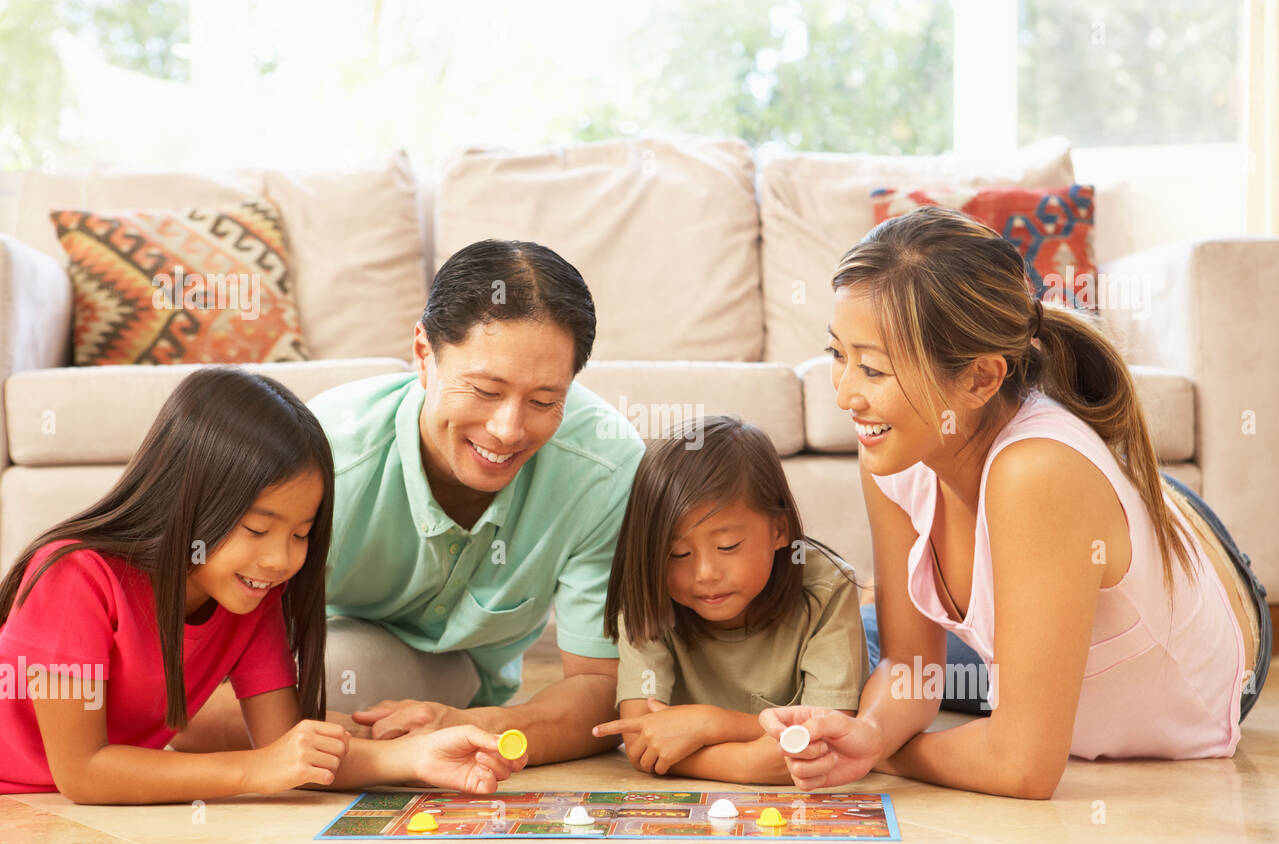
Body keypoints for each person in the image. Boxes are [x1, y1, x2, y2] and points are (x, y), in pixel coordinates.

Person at [760, 206, 1272, 799]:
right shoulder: (894, 451)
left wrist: (883, 756)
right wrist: (871, 730)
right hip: (1065, 523)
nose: (846, 393)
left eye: (872, 369)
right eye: (837, 355)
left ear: (980, 379)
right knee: (848, 637)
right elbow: (911, 670)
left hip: (1213, 606)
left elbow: (1023, 766)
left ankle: (1115, 490)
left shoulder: (1036, 476)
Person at [181, 240, 644, 765]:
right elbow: (189, 708)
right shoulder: (329, 456)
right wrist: (407, 748)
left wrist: (477, 725)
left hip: (464, 670)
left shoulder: (602, 467)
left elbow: (602, 692)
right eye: (486, 390)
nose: (508, 430)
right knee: (299, 684)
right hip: (318, 647)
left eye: (544, 401)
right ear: (424, 355)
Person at [0, 368, 524, 802]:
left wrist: (414, 756)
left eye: (301, 534)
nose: (280, 560)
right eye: (256, 529)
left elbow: (288, 749)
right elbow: (84, 773)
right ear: (188, 499)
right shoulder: (72, 578)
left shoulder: (250, 596)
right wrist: (259, 769)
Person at [592, 416, 866, 784]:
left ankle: (875, 605)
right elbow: (643, 742)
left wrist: (709, 725)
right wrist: (761, 754)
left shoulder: (828, 589)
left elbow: (829, 743)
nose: (705, 573)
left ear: (780, 530)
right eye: (677, 554)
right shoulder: (649, 594)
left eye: (728, 546)